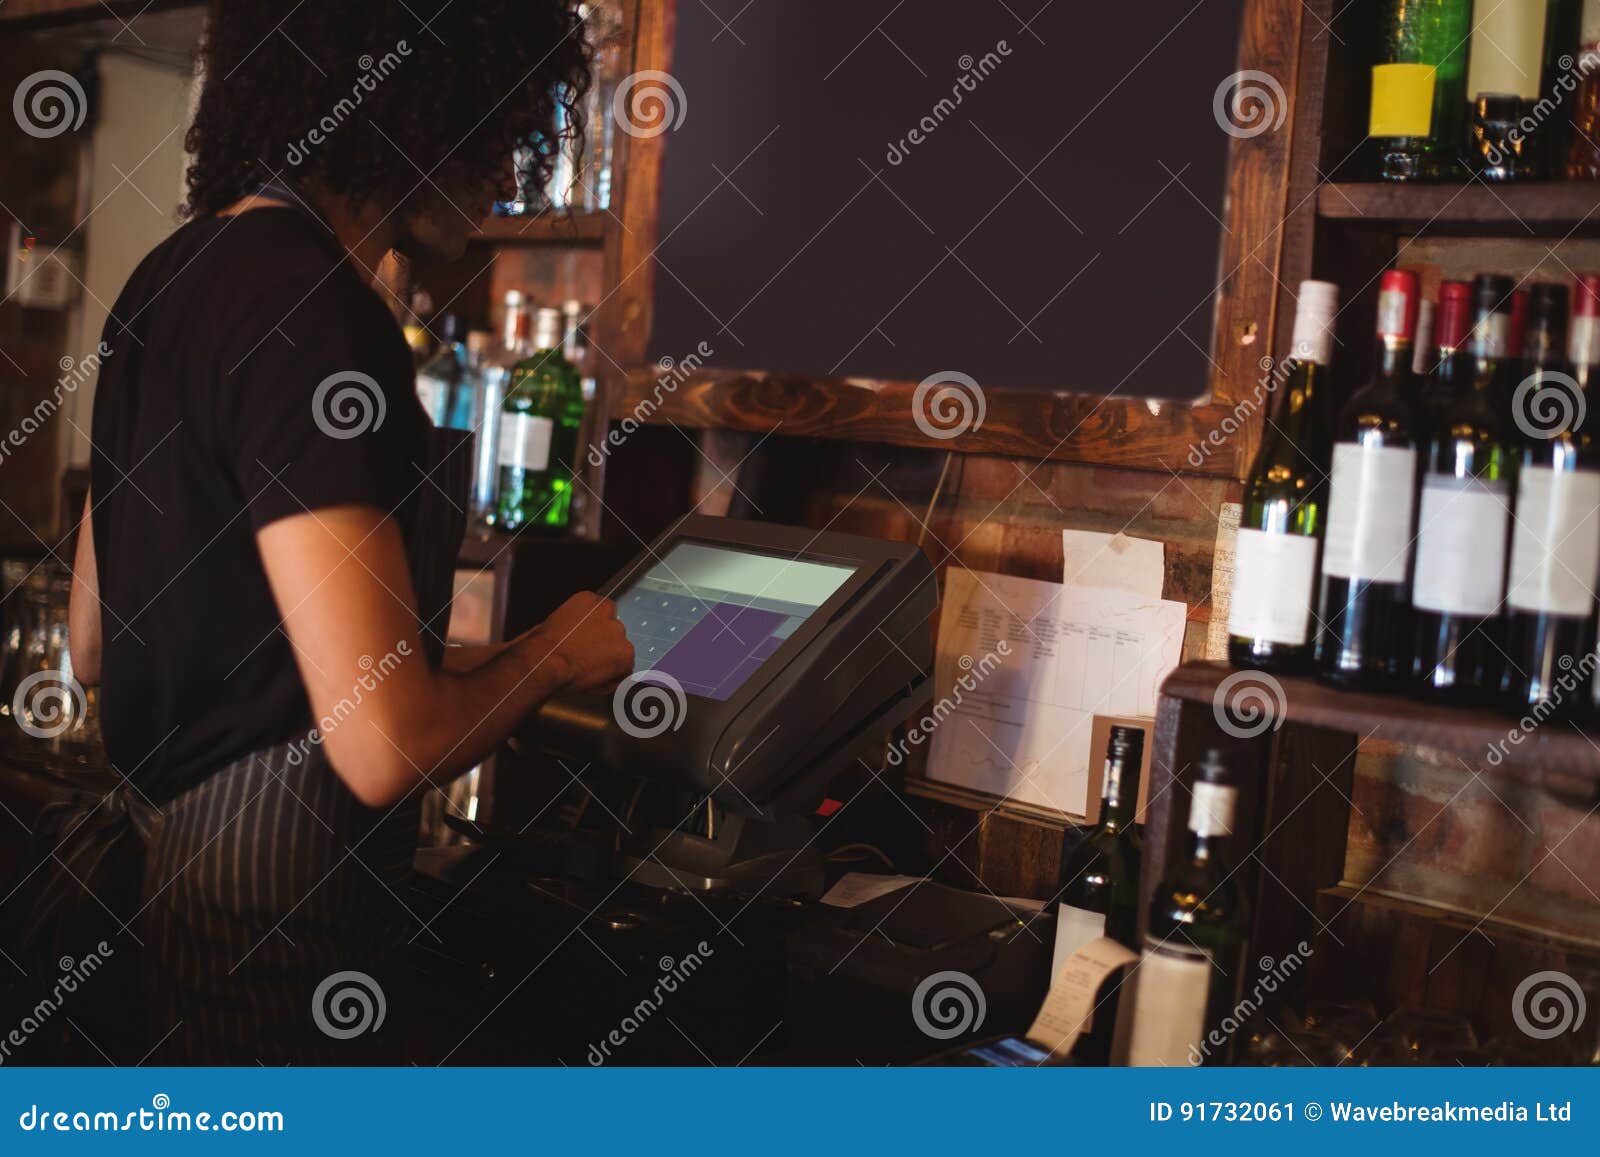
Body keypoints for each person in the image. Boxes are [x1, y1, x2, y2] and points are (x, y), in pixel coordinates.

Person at [24, 0, 632, 1064]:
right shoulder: (315, 311)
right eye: (499, 122)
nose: (508, 168)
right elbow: (385, 743)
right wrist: (554, 650)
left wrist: (472, 666)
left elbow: (92, 643)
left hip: (151, 887)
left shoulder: (167, 279)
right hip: (272, 922)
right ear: (416, 98)